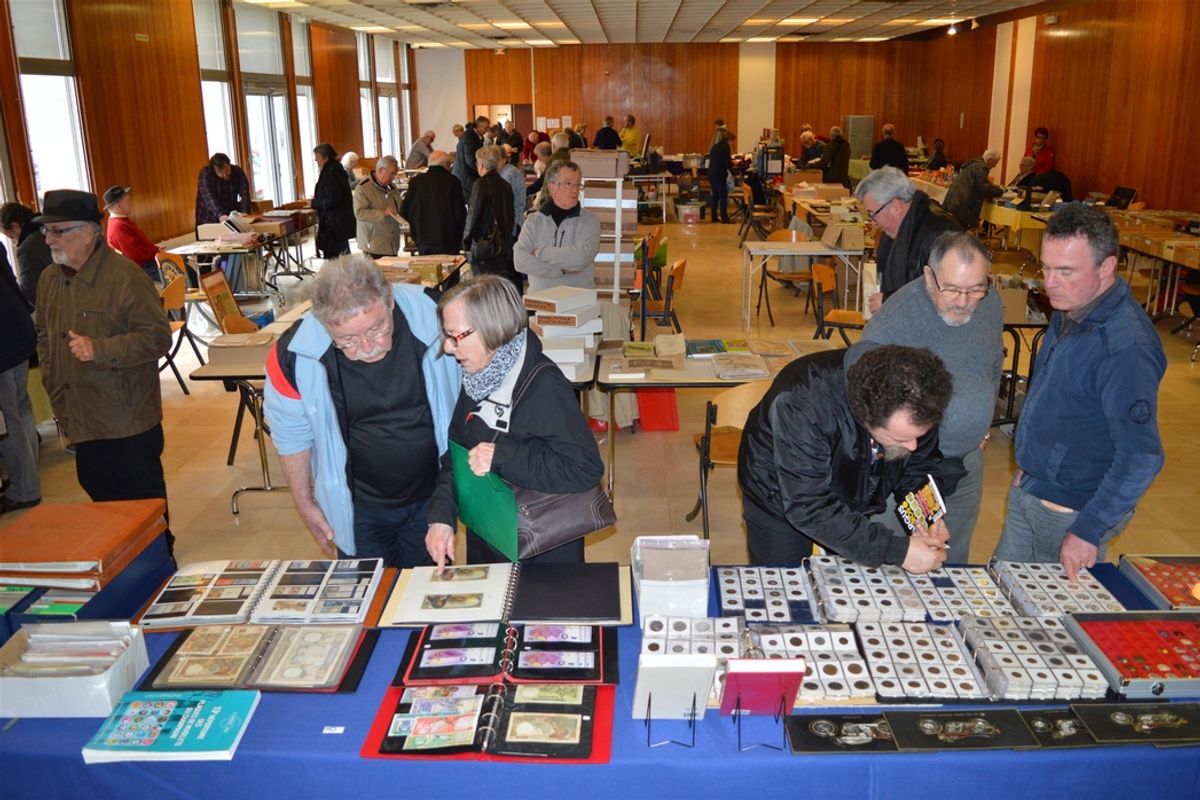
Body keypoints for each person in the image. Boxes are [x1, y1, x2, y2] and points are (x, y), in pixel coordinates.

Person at [993, 203, 1165, 580]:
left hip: (1068, 513)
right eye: (1047, 267)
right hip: (1031, 491)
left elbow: (1141, 456)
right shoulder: (1069, 306)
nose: (1049, 282)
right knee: (998, 600)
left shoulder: (1126, 348)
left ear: (1106, 267)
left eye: (1065, 271)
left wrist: (1088, 529)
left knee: (1047, 627)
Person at [264, 254, 460, 567]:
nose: (367, 348)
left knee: (425, 600)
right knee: (370, 602)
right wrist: (304, 502)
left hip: (432, 497)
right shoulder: (294, 354)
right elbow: (291, 436)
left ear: (391, 301)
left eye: (376, 329)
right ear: (324, 323)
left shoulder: (438, 318)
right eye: (348, 339)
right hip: (355, 508)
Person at [425, 275, 604, 570]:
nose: (447, 347)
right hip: (490, 537)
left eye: (456, 336)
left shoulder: (544, 386)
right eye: (446, 335)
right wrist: (442, 517)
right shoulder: (478, 377)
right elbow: (456, 456)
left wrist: (503, 456)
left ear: (493, 330)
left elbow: (584, 468)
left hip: (542, 551)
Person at [849, 232, 1003, 564]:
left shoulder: (990, 303)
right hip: (906, 468)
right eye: (952, 289)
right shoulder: (894, 322)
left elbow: (992, 362)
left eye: (975, 289)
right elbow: (867, 408)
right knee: (906, 560)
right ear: (928, 276)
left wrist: (982, 425)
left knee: (952, 557)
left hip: (967, 464)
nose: (964, 302)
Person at [738, 345, 953, 573]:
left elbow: (919, 464)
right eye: (901, 438)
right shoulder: (802, 401)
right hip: (778, 496)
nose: (912, 446)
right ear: (866, 417)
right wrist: (896, 550)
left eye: (918, 436)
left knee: (841, 581)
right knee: (784, 586)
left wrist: (927, 518)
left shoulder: (918, 397)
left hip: (848, 491)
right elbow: (808, 505)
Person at [33, 190, 172, 527]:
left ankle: (161, 563)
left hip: (126, 420)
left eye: (59, 231)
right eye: (46, 232)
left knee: (143, 506)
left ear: (89, 231)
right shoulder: (49, 278)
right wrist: (56, 392)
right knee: (102, 500)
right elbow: (44, 339)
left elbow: (157, 338)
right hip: (80, 417)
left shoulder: (125, 277)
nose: (50, 240)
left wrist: (100, 349)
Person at [855, 167, 961, 312]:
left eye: (873, 214)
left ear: (896, 206)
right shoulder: (903, 228)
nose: (873, 222)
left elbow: (947, 293)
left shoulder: (941, 233)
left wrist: (888, 300)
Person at [515, 160, 600, 292]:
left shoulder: (590, 221)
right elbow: (520, 261)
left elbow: (581, 258)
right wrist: (560, 270)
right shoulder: (533, 221)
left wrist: (539, 252)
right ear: (551, 187)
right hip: (540, 302)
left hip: (578, 303)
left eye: (578, 184)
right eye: (568, 184)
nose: (575, 190)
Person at [0, 243, 40, 513]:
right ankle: (28, 481)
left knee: (7, 417)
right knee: (21, 409)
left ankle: (24, 489)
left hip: (3, 340)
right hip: (17, 327)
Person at [463, 146, 517, 291]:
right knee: (498, 288)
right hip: (503, 245)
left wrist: (466, 242)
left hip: (484, 246)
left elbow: (472, 215)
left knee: (482, 288)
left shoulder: (481, 184)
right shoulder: (505, 185)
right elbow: (510, 216)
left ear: (481, 164)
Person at [397, 150, 466, 256]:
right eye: (449, 164)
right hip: (448, 238)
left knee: (427, 270)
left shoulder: (416, 181)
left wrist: (416, 225)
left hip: (423, 238)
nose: (450, 167)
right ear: (444, 164)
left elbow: (404, 211)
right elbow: (460, 214)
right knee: (450, 270)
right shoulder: (452, 181)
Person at [102, 186, 161, 283]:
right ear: (118, 206)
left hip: (146, 264)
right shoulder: (118, 226)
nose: (131, 204)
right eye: (128, 201)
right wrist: (157, 251)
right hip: (143, 269)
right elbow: (136, 254)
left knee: (184, 269)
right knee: (183, 274)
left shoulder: (121, 221)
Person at [352, 155, 405, 258]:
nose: (394, 177)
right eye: (392, 173)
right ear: (381, 170)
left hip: (392, 242)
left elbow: (399, 208)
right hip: (373, 243)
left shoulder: (392, 187)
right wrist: (382, 213)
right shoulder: (363, 188)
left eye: (395, 174)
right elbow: (359, 213)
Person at [1, 203, 52, 307]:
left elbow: (29, 292)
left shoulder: (27, 248)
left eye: (11, 237)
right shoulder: (48, 229)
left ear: (15, 226)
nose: (14, 242)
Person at [310, 144, 355, 260]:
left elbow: (332, 200)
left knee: (336, 259)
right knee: (343, 256)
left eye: (318, 158)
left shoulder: (330, 174)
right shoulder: (336, 169)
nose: (316, 160)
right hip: (340, 222)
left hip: (334, 224)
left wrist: (314, 203)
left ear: (326, 158)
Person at [942, 149, 1003, 229]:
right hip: (962, 204)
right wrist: (1000, 191)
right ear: (990, 160)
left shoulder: (974, 164)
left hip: (956, 201)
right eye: (995, 163)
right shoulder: (981, 167)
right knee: (959, 232)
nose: (994, 166)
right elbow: (984, 188)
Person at [194, 152, 251, 227]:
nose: (224, 175)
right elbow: (209, 198)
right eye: (220, 172)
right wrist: (220, 214)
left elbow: (245, 194)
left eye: (227, 170)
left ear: (229, 164)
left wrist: (245, 211)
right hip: (207, 217)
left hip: (229, 215)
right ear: (214, 169)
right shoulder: (206, 174)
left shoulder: (238, 172)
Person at [454, 116, 489, 197]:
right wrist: (483, 171)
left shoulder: (476, 136)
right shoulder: (469, 137)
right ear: (479, 127)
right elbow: (470, 160)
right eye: (486, 128)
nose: (487, 130)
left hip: (468, 174)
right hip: (466, 175)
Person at [498, 146, 526, 238]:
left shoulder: (509, 174)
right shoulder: (507, 171)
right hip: (513, 222)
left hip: (512, 224)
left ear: (502, 159)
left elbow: (504, 202)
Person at [707, 129, 733, 224]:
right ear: (728, 140)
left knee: (715, 195)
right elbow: (727, 163)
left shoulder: (715, 146)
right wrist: (732, 171)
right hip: (719, 174)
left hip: (711, 173)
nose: (732, 143)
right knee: (723, 195)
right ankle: (724, 218)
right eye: (731, 141)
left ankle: (713, 217)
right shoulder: (725, 147)